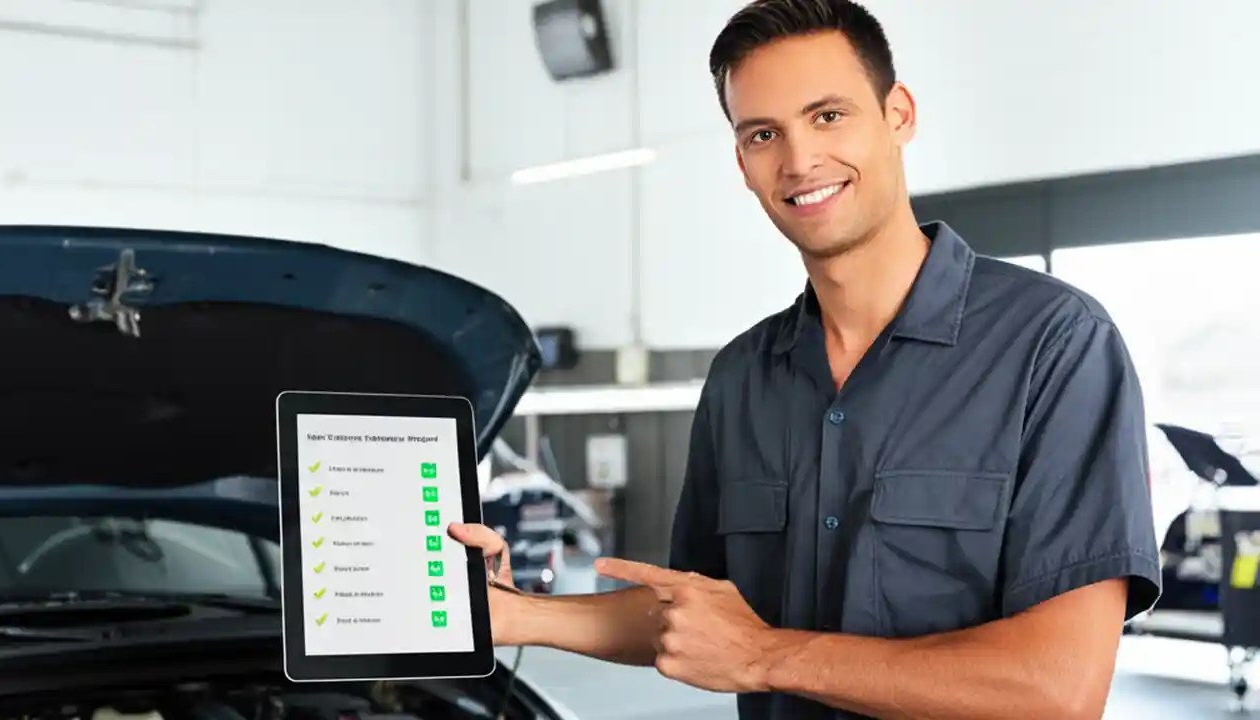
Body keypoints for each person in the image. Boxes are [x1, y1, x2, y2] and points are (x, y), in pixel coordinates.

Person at [450, 1, 1162, 717]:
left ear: (899, 115)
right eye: (764, 133)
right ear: (743, 162)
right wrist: (517, 614)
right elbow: (699, 616)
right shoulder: (742, 377)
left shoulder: (1054, 345)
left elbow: (1059, 689)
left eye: (828, 116)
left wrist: (764, 656)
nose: (799, 160)